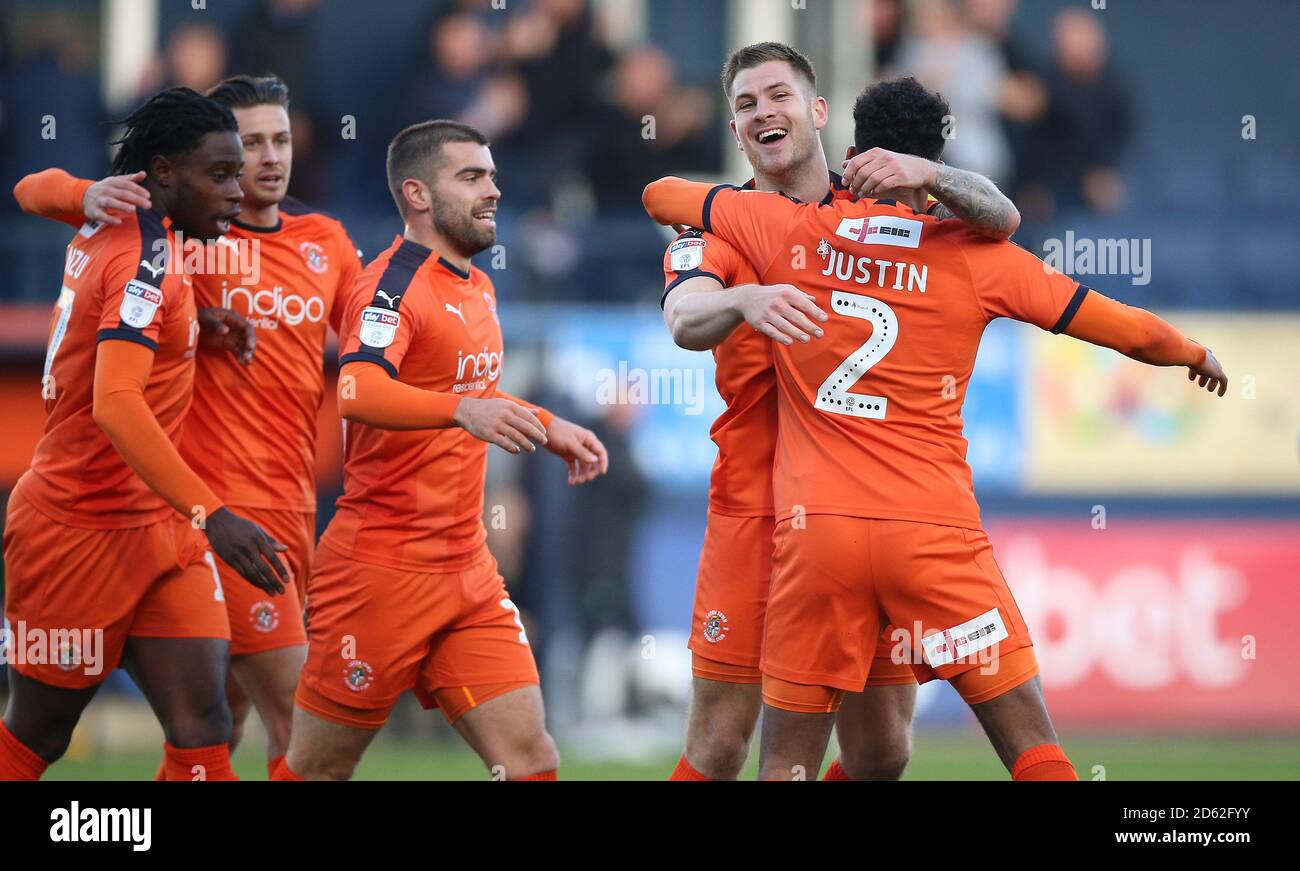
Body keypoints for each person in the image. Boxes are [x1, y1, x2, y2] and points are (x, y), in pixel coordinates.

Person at [643, 76, 1226, 781]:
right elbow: (1123, 327)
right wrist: (1193, 352)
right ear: (934, 173)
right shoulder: (980, 259)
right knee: (1032, 747)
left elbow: (661, 195)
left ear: (851, 152)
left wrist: (739, 212)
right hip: (931, 535)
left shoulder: (788, 229)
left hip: (816, 534)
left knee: (827, 759)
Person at [658, 43, 1019, 782]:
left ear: (817, 111)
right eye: (747, 104)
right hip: (755, 511)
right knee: (723, 740)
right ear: (736, 132)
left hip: (852, 512)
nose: (765, 111)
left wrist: (934, 171)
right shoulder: (721, 227)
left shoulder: (876, 210)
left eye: (779, 95)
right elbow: (684, 319)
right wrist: (741, 299)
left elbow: (1000, 217)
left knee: (883, 750)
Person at [12, 74, 364, 779]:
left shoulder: (142, 232)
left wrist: (194, 323)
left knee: (207, 725)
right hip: (83, 526)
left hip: (166, 529)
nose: (239, 190)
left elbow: (35, 191)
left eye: (266, 152)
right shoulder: (147, 256)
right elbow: (116, 404)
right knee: (39, 736)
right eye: (224, 172)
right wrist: (217, 514)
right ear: (166, 174)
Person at [274, 120, 608, 781]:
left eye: (491, 174)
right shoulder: (389, 286)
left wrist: (546, 424)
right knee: (316, 769)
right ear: (418, 194)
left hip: (467, 570)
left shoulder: (477, 282)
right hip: (380, 572)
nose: (493, 190)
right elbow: (358, 388)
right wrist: (464, 409)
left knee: (531, 759)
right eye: (472, 177)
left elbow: (469, 389)